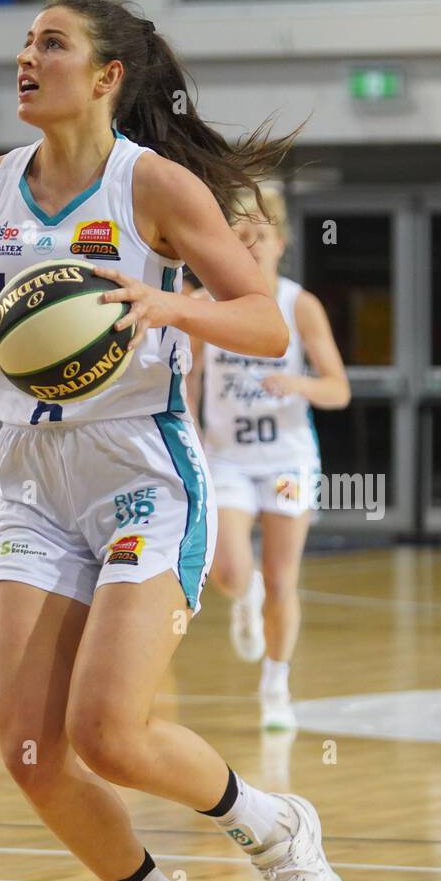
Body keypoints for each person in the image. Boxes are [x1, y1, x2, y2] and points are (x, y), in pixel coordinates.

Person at [0, 0, 347, 881]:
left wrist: (168, 305)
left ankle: (276, 829)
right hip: (33, 477)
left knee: (108, 731)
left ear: (105, 76)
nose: (25, 57)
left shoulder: (151, 184)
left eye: (50, 44)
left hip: (143, 467)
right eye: (23, 43)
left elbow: (260, 315)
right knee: (25, 751)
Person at [185, 184, 350, 729]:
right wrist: (187, 439)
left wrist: (297, 384)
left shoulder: (299, 305)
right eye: (241, 237)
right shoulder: (209, 304)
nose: (252, 247)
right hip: (227, 456)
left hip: (286, 460)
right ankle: (243, 596)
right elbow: (190, 378)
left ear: (281, 242)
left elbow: (338, 388)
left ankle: (276, 684)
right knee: (228, 567)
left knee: (283, 577)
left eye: (261, 237)